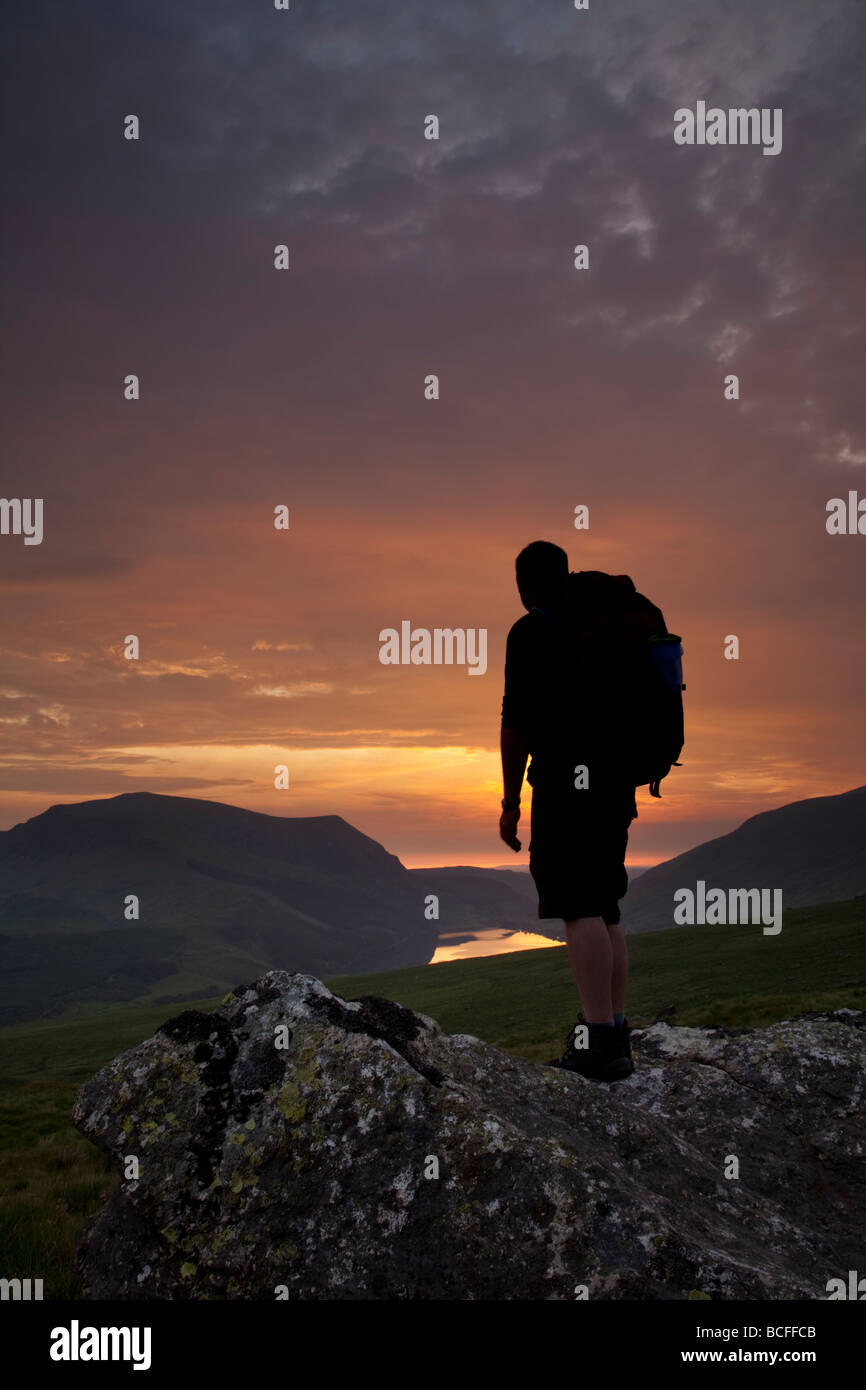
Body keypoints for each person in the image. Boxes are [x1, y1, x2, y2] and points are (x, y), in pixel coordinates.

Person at [499, 540, 637, 1083]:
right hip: (617, 785)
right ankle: (616, 1032)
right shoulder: (607, 623)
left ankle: (598, 1043)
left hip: (564, 787)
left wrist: (510, 801)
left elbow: (516, 724)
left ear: (525, 585)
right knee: (607, 908)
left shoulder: (531, 631)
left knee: (579, 909)